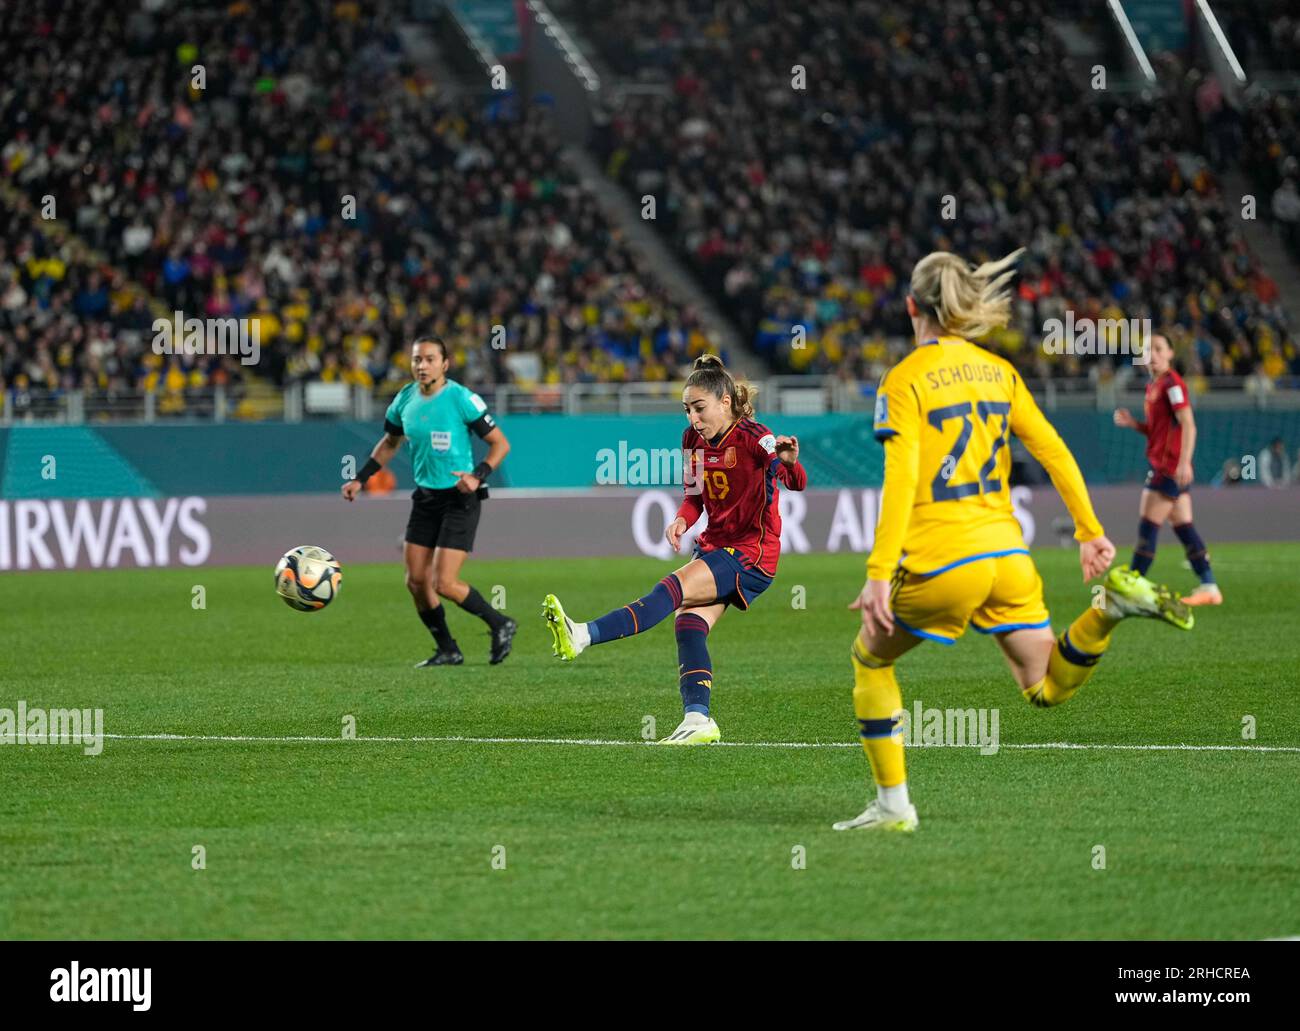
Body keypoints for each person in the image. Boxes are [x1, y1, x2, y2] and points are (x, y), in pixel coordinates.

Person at [838, 250, 1193, 833]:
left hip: (940, 561)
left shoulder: (903, 380)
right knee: (1046, 687)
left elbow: (900, 477)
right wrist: (1090, 531)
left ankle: (893, 807)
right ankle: (1109, 608)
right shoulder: (999, 372)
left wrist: (879, 572)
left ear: (911, 308)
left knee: (870, 659)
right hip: (1007, 557)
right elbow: (1053, 450)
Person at [542, 354, 808, 744]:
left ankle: (582, 634)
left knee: (671, 588)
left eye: (699, 408)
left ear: (726, 402)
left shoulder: (755, 438)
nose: (692, 418)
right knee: (689, 625)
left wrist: (789, 462)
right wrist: (682, 519)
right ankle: (699, 720)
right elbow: (694, 496)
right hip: (716, 547)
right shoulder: (691, 441)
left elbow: (796, 480)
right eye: (686, 409)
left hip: (751, 553)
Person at [342, 336, 518, 666]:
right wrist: (360, 478)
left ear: (445, 364)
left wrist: (477, 475)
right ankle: (448, 649)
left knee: (444, 583)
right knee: (416, 581)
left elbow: (500, 445)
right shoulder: (404, 400)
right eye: (416, 360)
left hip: (460, 498)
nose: (421, 366)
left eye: (429, 359)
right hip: (425, 499)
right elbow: (390, 442)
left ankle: (501, 623)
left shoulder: (462, 399)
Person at [1113, 334, 1222, 605]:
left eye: (1159, 348)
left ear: (1171, 353)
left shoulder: (1173, 383)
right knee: (1183, 526)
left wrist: (1184, 462)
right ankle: (1209, 586)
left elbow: (1188, 423)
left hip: (1169, 468)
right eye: (1148, 349)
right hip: (1169, 465)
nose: (1152, 353)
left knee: (1147, 527)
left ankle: (1131, 589)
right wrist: (1134, 424)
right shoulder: (1155, 386)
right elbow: (1158, 430)